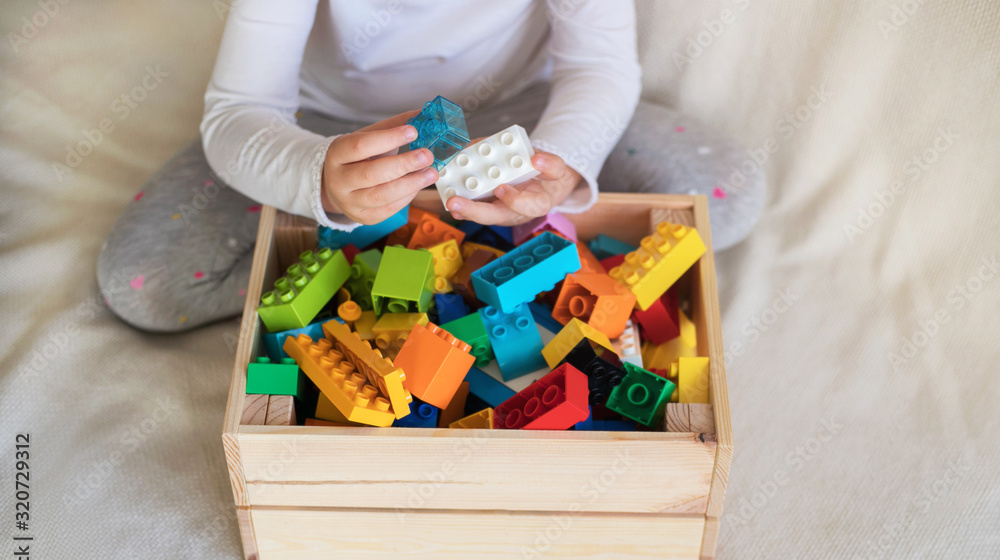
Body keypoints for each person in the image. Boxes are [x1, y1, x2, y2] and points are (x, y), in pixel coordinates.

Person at [98, 0, 765, 332]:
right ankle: (373, 252)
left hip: (519, 115)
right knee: (143, 286)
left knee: (726, 195)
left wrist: (564, 157)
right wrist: (316, 176)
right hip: (332, 129)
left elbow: (599, 66)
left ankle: (425, 244)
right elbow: (241, 110)